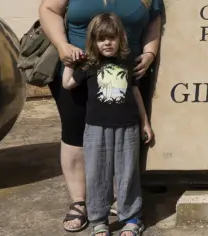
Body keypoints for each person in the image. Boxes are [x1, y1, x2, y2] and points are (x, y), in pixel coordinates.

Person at [38, 0, 164, 233]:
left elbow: (155, 18)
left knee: (124, 138)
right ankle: (81, 202)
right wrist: (63, 46)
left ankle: (121, 201)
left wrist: (150, 52)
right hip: (80, 69)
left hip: (126, 72)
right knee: (77, 135)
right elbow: (49, 9)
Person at [62, 13, 154, 236]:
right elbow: (67, 84)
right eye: (101, 39)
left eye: (111, 38)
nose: (107, 43)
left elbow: (135, 93)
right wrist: (69, 62)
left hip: (128, 127)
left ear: (120, 38)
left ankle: (132, 218)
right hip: (96, 128)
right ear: (93, 41)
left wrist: (145, 123)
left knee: (127, 172)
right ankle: (99, 221)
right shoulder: (88, 65)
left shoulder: (128, 63)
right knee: (97, 174)